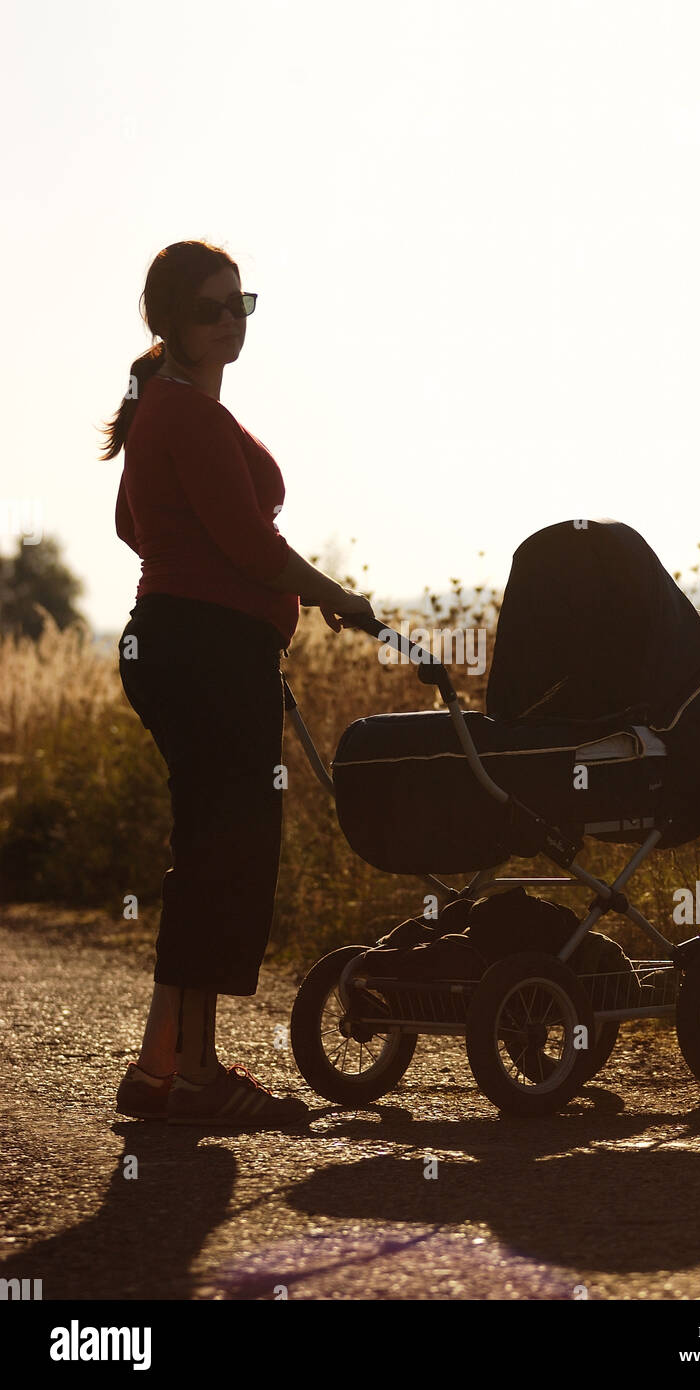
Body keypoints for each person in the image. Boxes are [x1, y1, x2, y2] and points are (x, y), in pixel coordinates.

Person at [102, 240, 374, 1127]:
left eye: (240, 305)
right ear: (169, 319)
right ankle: (198, 1076)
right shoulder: (185, 416)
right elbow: (253, 547)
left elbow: (128, 523)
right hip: (208, 655)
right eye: (212, 308)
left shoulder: (163, 412)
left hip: (179, 645)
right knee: (229, 854)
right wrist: (330, 595)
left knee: (203, 853)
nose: (231, 321)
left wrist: (194, 567)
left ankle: (160, 1066)